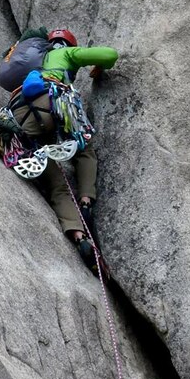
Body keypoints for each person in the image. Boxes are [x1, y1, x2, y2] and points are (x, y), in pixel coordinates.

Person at [8, 26, 119, 270]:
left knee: (56, 184)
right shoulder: (65, 54)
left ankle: (78, 235)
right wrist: (96, 67)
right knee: (84, 149)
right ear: (66, 43)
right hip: (53, 102)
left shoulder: (27, 63)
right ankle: (86, 200)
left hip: (19, 118)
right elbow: (109, 55)